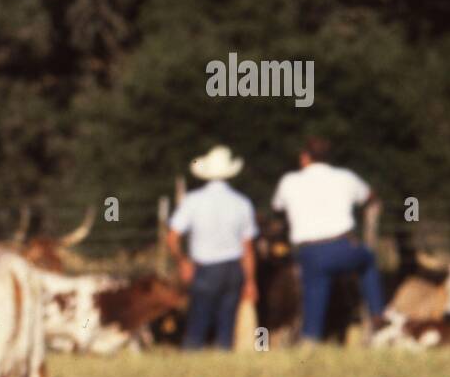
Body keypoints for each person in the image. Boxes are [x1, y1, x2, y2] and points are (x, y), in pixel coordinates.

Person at [270, 136, 385, 343]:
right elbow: (370, 197)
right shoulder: (346, 176)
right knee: (367, 261)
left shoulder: (289, 181)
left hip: (312, 251)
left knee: (315, 292)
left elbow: (277, 207)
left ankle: (310, 338)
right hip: (345, 246)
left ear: (305, 158)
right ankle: (377, 313)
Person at [165, 145, 258, 350]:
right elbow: (248, 248)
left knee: (198, 324)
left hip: (206, 269)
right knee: (227, 325)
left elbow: (172, 237)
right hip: (233, 269)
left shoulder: (193, 201)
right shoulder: (242, 202)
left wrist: (182, 262)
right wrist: (250, 280)